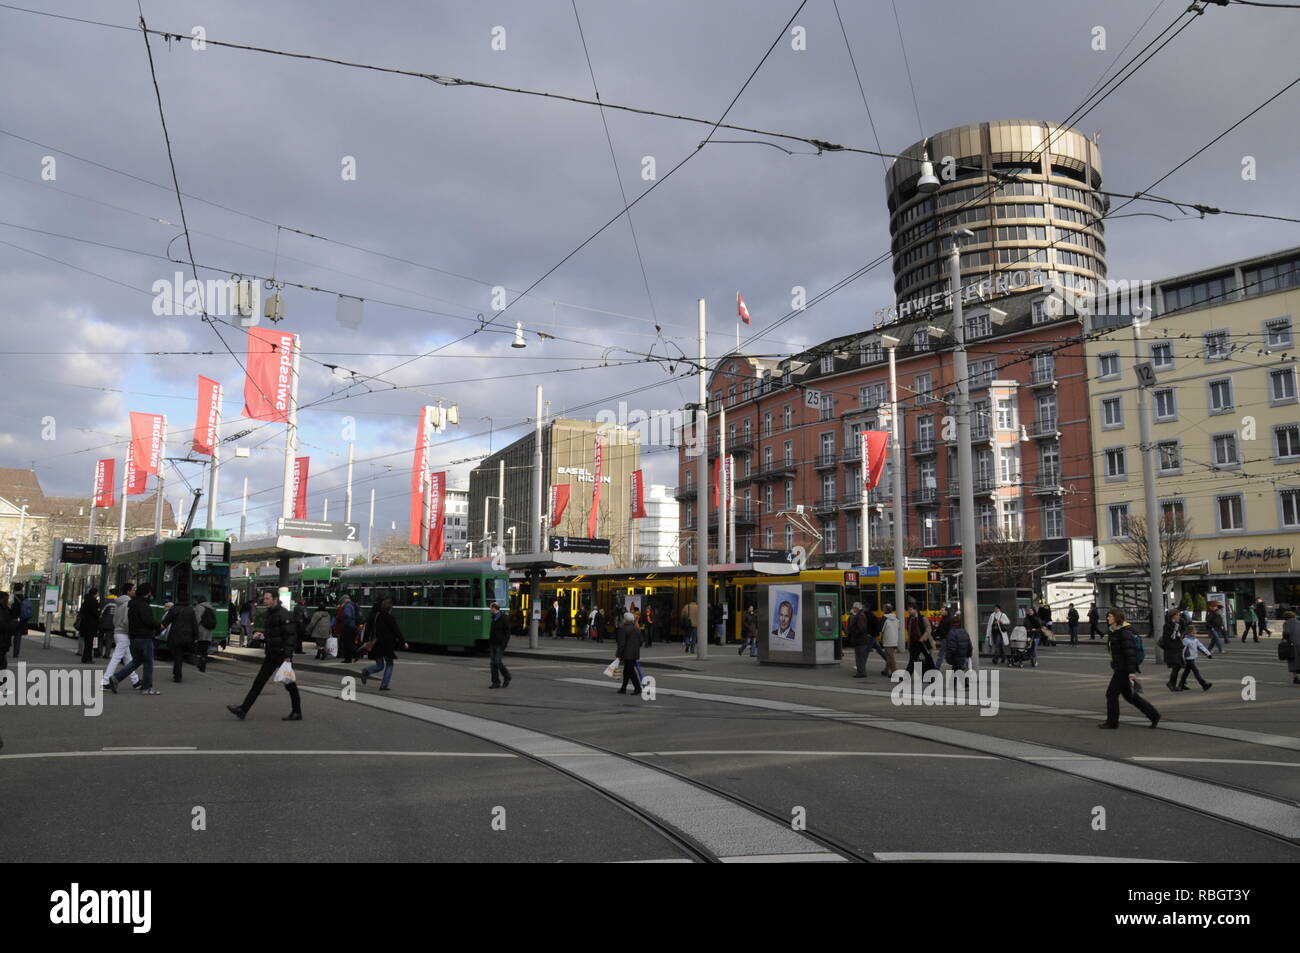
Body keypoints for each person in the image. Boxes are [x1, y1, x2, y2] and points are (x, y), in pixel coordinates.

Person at [227, 591, 302, 720]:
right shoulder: (271, 613)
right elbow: (274, 633)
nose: (265, 601)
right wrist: (262, 636)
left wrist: (288, 657)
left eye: (268, 598)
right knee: (258, 682)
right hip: (272, 654)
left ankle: (297, 712)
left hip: (282, 655)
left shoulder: (283, 614)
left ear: (275, 599)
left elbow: (290, 636)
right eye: (264, 599)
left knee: (290, 684)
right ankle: (243, 710)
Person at [1100, 608, 1160, 729]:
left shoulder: (1124, 632)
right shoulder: (1114, 631)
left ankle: (1112, 722)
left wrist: (1131, 672)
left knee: (1111, 694)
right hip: (1120, 667)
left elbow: (1130, 654)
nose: (1107, 618)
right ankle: (1154, 715)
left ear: (1116, 617)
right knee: (1130, 696)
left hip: (1123, 669)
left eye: (1110, 616)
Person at [107, 584, 161, 695]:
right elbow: (148, 621)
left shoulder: (131, 605)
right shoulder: (144, 606)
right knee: (148, 663)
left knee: (136, 661)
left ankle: (117, 678)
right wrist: (157, 625)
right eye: (150, 593)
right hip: (144, 637)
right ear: (147, 593)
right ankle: (146, 687)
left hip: (133, 638)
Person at [359, 596, 406, 691]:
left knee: (380, 665)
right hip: (387, 645)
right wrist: (403, 642)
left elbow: (368, 629)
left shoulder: (375, 616)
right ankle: (384, 685)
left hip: (377, 644)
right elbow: (397, 631)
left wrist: (365, 640)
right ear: (390, 608)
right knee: (389, 664)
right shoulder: (390, 618)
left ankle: (367, 671)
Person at [101, 584, 140, 690]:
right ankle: (105, 681)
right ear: (128, 592)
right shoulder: (127, 604)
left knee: (128, 658)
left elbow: (114, 620)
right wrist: (131, 631)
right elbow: (126, 621)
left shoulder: (118, 603)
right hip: (124, 633)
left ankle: (135, 680)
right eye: (133, 589)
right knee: (116, 658)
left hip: (117, 631)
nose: (134, 591)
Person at [161, 598, 198, 683]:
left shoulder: (174, 609)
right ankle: (177, 673)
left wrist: (156, 632)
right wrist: (196, 637)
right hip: (187, 637)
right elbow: (194, 624)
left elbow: (165, 623)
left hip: (175, 636)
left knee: (177, 656)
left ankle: (177, 675)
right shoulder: (191, 610)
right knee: (180, 656)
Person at [1178, 623, 1213, 692]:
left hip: (1192, 657)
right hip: (1188, 659)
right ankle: (1204, 684)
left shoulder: (1195, 640)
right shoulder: (1185, 640)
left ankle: (1181, 684)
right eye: (1193, 633)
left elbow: (1201, 646)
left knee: (1186, 672)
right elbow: (1182, 649)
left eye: (1195, 633)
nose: (1194, 634)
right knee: (1196, 671)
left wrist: (1208, 654)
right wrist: (1182, 658)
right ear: (1189, 632)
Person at [614, 611, 642, 695]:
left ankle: (637, 688)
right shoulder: (637, 629)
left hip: (627, 654)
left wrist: (618, 654)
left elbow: (621, 644)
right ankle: (623, 688)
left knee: (630, 672)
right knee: (626, 671)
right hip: (635, 653)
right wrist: (635, 649)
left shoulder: (622, 629)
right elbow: (641, 641)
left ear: (625, 619)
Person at [488, 601, 512, 688]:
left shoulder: (504, 618)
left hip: (500, 644)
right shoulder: (493, 618)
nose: (490, 609)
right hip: (493, 644)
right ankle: (495, 682)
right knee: (492, 663)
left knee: (497, 661)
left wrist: (504, 644)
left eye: (490, 608)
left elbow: (507, 632)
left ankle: (507, 676)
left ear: (494, 608)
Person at [1160, 609, 1184, 692]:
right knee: (1176, 666)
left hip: (1177, 648)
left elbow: (1179, 635)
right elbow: (1166, 638)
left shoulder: (1177, 625)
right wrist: (1172, 646)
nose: (1179, 616)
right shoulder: (1167, 625)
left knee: (1177, 666)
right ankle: (1171, 684)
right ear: (1172, 616)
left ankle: (1172, 684)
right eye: (1177, 615)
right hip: (1171, 649)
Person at [75, 588, 101, 664]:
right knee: (89, 644)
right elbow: (96, 614)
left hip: (84, 625)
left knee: (87, 642)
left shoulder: (85, 601)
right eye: (97, 593)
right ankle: (88, 658)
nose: (98, 595)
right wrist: (99, 614)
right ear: (95, 594)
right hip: (91, 625)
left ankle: (84, 658)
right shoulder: (94, 602)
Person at [847, 603, 871, 677]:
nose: (853, 609)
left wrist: (854, 633)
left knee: (860, 657)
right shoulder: (861, 615)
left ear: (856, 608)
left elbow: (861, 628)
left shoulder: (860, 616)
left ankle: (861, 672)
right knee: (860, 657)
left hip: (860, 640)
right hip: (861, 639)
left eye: (854, 607)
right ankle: (861, 671)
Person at [905, 606, 933, 672]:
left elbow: (928, 628)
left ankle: (932, 675)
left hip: (923, 643)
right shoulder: (910, 619)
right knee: (912, 660)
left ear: (915, 610)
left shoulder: (922, 618)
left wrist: (923, 638)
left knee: (929, 660)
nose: (909, 611)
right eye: (908, 610)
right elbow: (909, 631)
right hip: (914, 643)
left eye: (910, 609)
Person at [194, 595, 216, 672]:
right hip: (209, 632)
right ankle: (203, 665)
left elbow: (197, 620)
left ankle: (200, 664)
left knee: (200, 649)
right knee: (205, 650)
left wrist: (193, 629)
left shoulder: (199, 607)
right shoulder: (210, 607)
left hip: (201, 631)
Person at [335, 594, 358, 663]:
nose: (341, 603)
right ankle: (348, 659)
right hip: (352, 626)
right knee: (349, 642)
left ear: (344, 600)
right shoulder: (352, 605)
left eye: (342, 601)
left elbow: (348, 616)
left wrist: (344, 622)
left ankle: (357, 652)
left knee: (347, 643)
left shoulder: (347, 606)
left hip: (348, 627)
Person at [880, 605, 899, 677]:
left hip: (887, 639)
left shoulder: (884, 618)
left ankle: (895, 672)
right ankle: (886, 670)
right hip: (894, 638)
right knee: (889, 655)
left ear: (886, 610)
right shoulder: (896, 617)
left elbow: (880, 629)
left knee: (891, 656)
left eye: (883, 608)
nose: (883, 609)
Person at [1282, 610, 1300, 685]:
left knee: (1292, 660)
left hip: (1292, 644)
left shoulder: (1286, 623)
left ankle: (1295, 677)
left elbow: (1287, 633)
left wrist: (1283, 639)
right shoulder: (1298, 622)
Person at [11, 584, 27, 658]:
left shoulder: (12, 597)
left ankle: (5, 649)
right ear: (21, 589)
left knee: (6, 635)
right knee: (18, 636)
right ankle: (16, 653)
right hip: (21, 619)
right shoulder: (24, 597)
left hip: (12, 619)